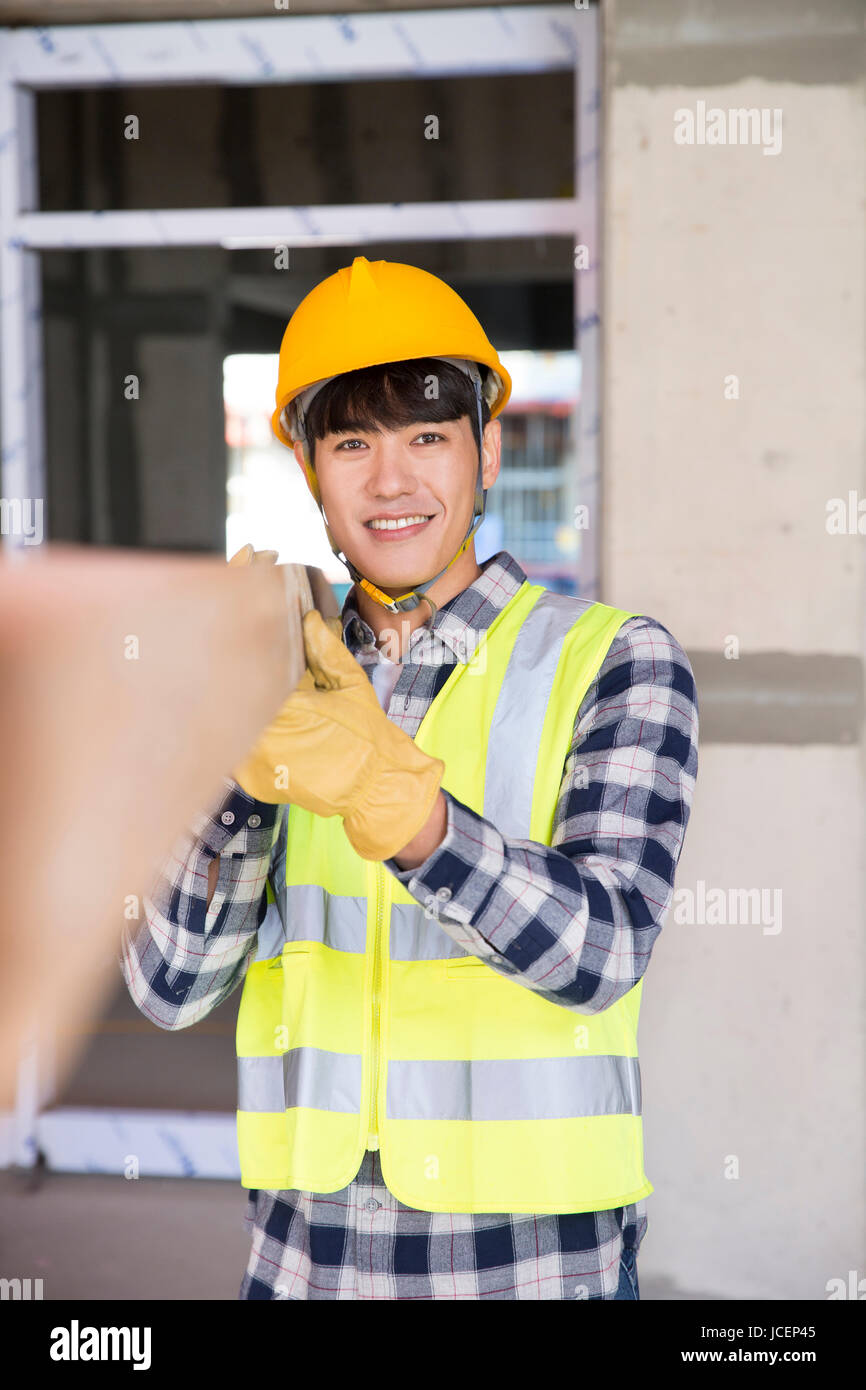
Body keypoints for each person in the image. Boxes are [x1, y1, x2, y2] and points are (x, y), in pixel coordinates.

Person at [121, 255, 699, 1300]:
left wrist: (408, 813)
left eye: (427, 435)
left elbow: (604, 948)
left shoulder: (614, 660)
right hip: (306, 1261)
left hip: (531, 1266)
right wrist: (246, 785)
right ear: (312, 473)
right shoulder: (262, 676)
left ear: (486, 453)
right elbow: (166, 989)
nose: (391, 482)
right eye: (352, 443)